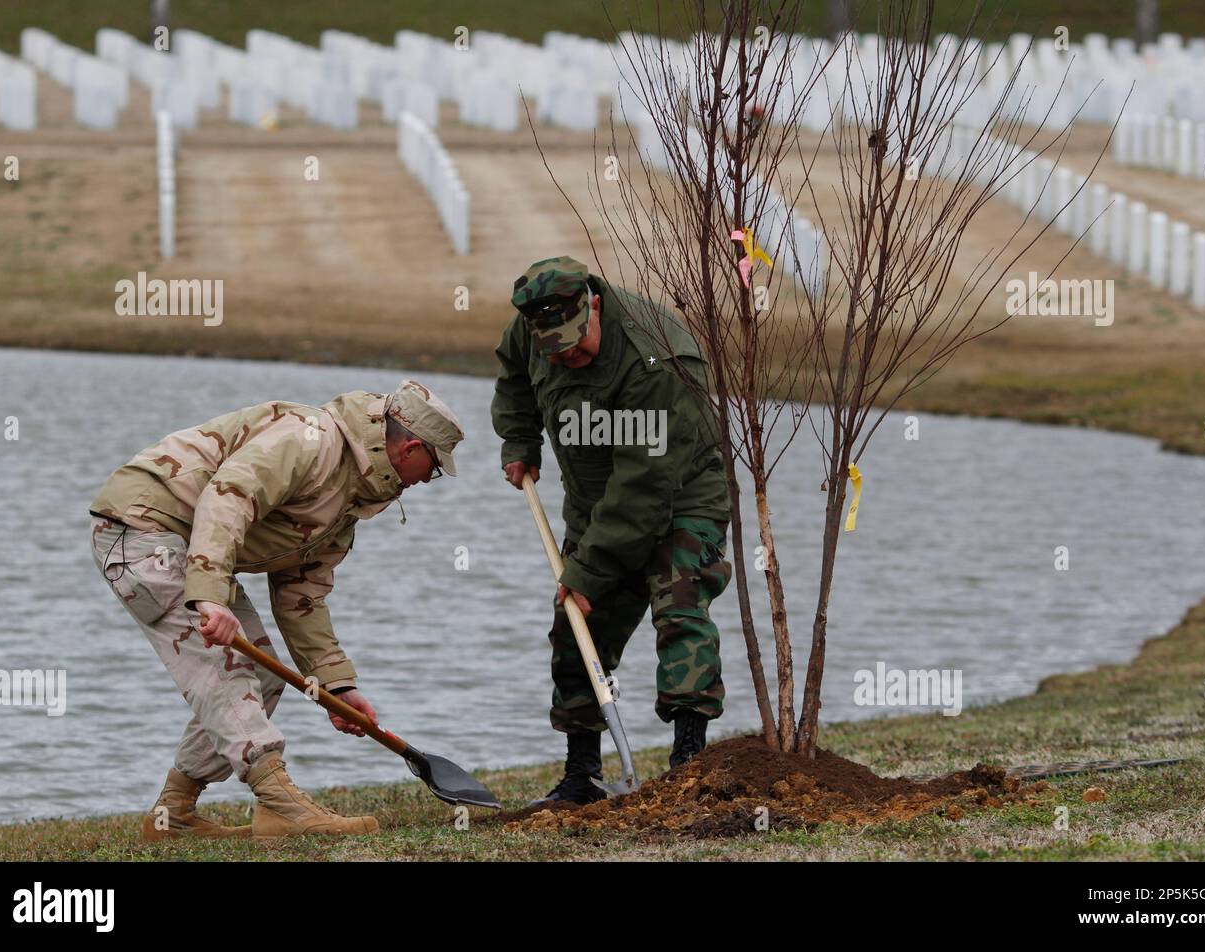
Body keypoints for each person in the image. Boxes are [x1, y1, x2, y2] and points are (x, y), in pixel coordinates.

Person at [89, 380, 463, 839]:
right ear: (409, 448)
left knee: (261, 673)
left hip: (190, 546)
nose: (429, 479)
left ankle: (175, 815)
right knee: (224, 665)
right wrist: (207, 594)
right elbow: (228, 495)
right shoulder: (311, 439)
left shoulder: (354, 498)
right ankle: (279, 802)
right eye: (434, 468)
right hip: (143, 529)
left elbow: (301, 595)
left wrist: (336, 684)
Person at [492, 256, 733, 805]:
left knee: (679, 610)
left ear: (594, 306)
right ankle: (582, 777)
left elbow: (645, 485)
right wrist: (520, 442)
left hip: (680, 498)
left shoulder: (658, 359)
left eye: (576, 345)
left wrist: (590, 568)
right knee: (575, 624)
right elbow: (513, 380)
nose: (568, 357)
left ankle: (686, 772)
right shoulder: (532, 328)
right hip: (594, 504)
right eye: (556, 352)